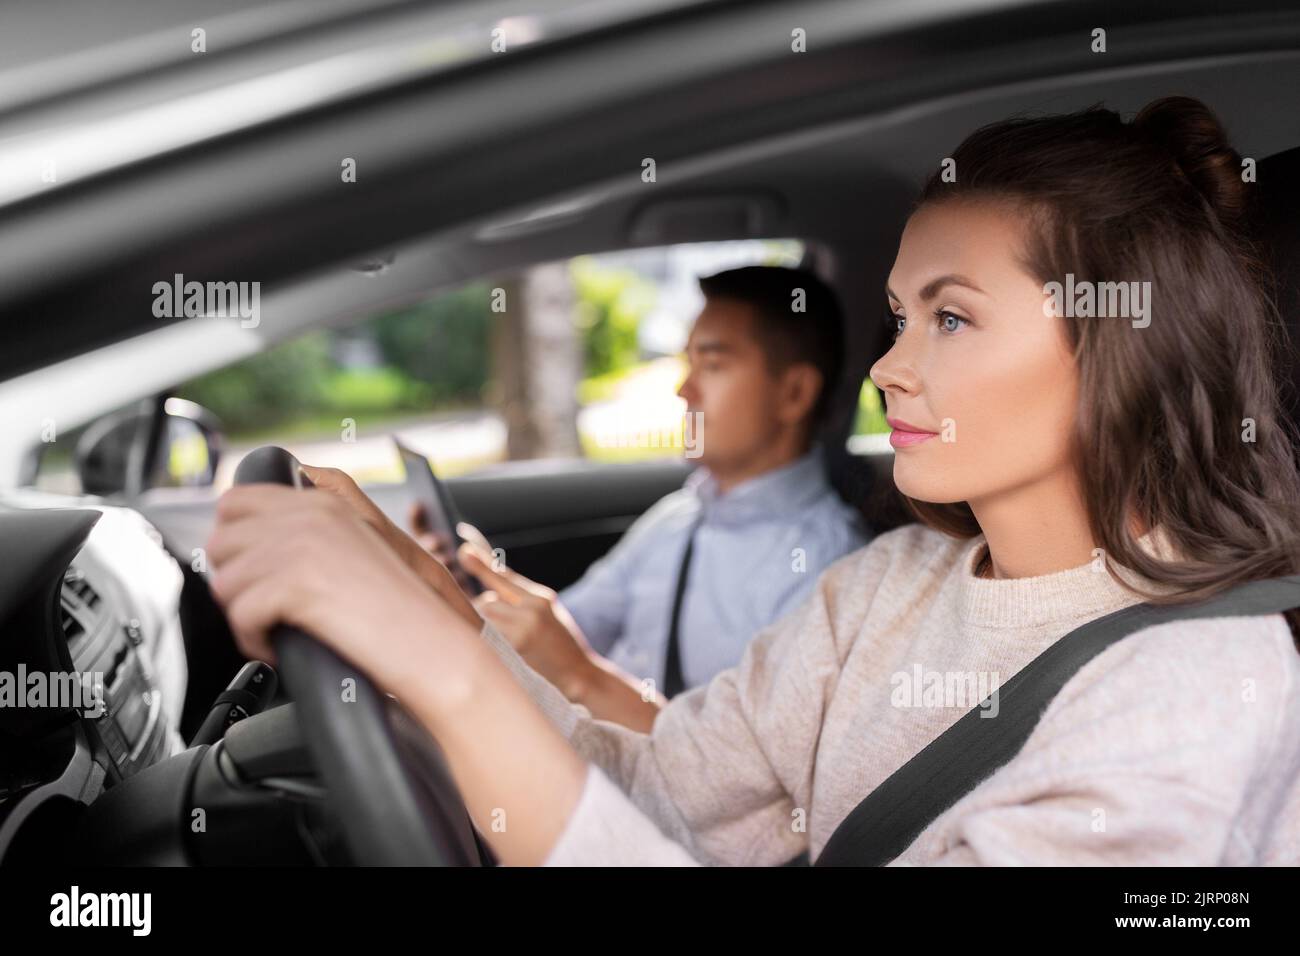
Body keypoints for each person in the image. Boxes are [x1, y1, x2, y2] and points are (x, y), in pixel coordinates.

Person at [207, 96, 1300, 866]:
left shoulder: (1192, 690)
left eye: (953, 316)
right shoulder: (890, 585)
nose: (885, 366)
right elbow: (655, 795)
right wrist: (428, 600)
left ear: (1124, 347)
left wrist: (448, 675)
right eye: (900, 315)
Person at [387, 265, 867, 732]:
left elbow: (748, 779)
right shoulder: (677, 516)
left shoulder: (828, 569)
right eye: (688, 363)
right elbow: (567, 631)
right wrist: (467, 583)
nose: (685, 389)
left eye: (714, 364)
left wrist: (582, 677)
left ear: (795, 393)